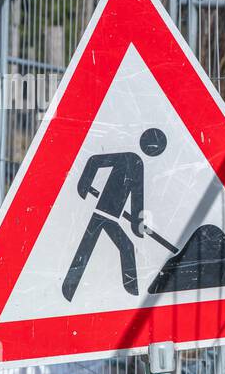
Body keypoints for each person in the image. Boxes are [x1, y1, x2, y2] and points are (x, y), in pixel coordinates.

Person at [61, 127, 166, 301]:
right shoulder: (131, 159)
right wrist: (84, 185)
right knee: (117, 248)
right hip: (103, 214)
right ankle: (133, 296)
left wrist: (136, 225)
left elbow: (137, 199)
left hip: (109, 218)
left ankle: (68, 289)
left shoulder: (137, 163)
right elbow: (94, 161)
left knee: (91, 248)